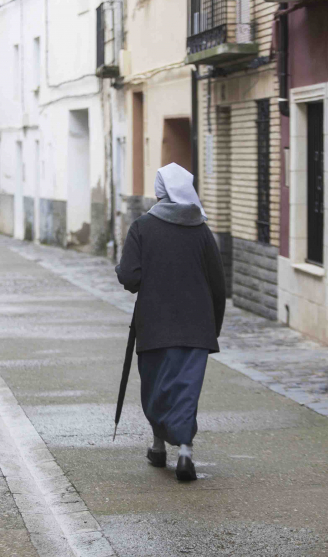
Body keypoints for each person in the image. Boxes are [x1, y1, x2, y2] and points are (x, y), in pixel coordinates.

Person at [115, 163, 226, 482]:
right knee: (186, 390)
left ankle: (158, 445)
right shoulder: (201, 230)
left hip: (155, 323)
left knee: (157, 387)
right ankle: (185, 451)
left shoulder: (142, 227)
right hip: (196, 326)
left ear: (159, 193)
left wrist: (127, 272)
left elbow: (130, 277)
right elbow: (218, 284)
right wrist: (213, 327)